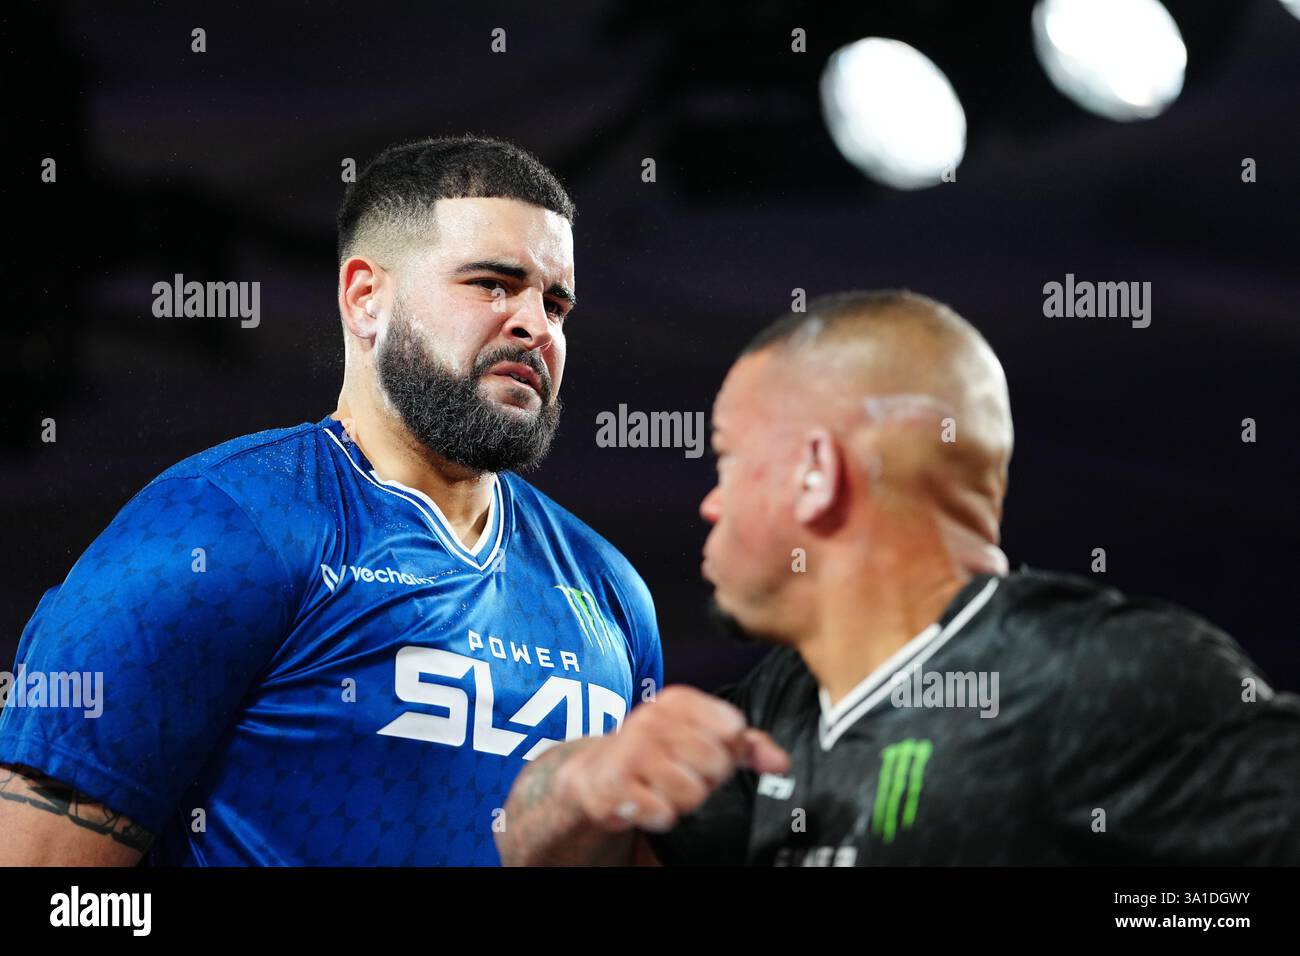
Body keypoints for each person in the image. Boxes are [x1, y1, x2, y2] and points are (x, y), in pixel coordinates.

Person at [0, 135, 662, 866]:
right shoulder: (219, 527)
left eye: (556, 302)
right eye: (492, 284)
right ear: (366, 297)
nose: (536, 327)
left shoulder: (610, 593)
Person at [496, 289, 1300, 866]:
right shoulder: (780, 712)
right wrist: (583, 782)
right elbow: (558, 850)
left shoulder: (1102, 673)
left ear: (816, 472)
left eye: (729, 462)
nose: (709, 504)